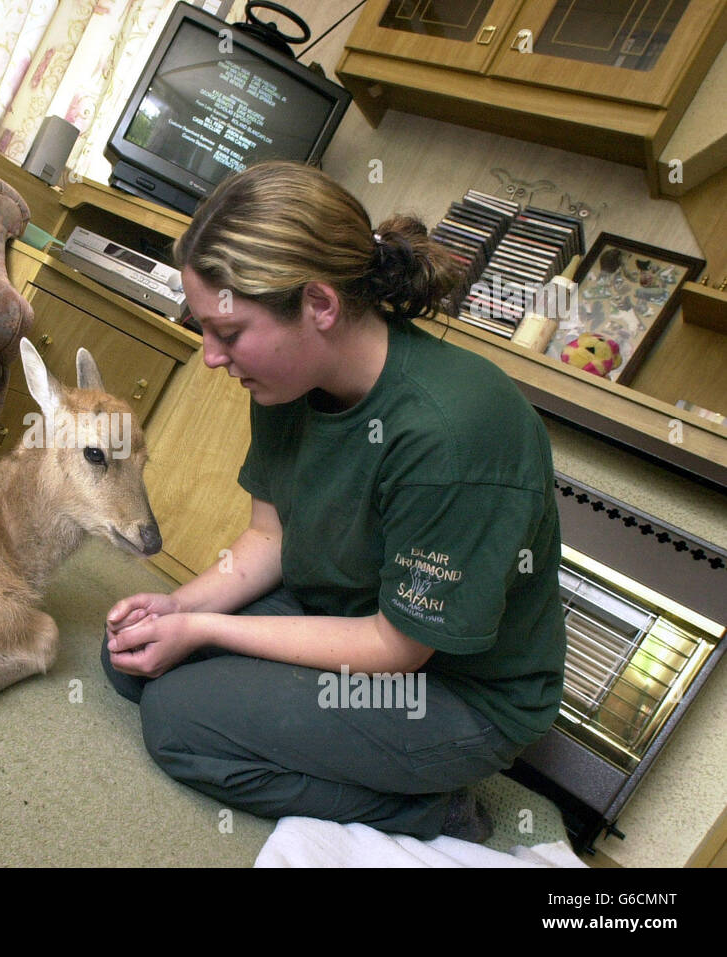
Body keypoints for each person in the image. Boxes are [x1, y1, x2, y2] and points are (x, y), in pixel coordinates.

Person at [102, 161, 567, 842]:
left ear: (319, 305)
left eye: (227, 333)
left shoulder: (453, 432)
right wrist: (180, 607)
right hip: (338, 608)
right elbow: (270, 537)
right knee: (127, 661)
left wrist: (206, 630)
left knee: (178, 721)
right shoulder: (287, 379)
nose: (210, 357)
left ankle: (433, 810)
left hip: (450, 693)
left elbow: (395, 649)